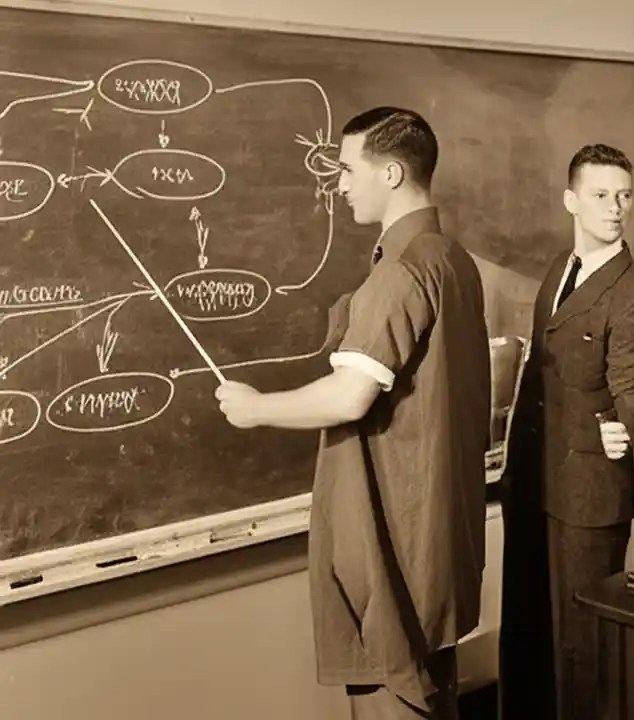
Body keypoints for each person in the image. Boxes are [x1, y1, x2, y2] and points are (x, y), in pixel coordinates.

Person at [215, 106, 491, 719]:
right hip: (436, 550)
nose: (337, 184)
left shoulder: (402, 273)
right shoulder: (452, 261)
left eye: (346, 169)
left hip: (393, 550)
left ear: (391, 173)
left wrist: (258, 408)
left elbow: (349, 396)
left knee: (395, 698)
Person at [498, 143, 634, 720]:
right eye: (600, 195)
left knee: (584, 648)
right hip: (535, 482)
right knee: (528, 630)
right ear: (571, 200)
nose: (615, 208)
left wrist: (626, 426)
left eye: (623, 196)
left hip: (589, 495)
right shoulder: (559, 269)